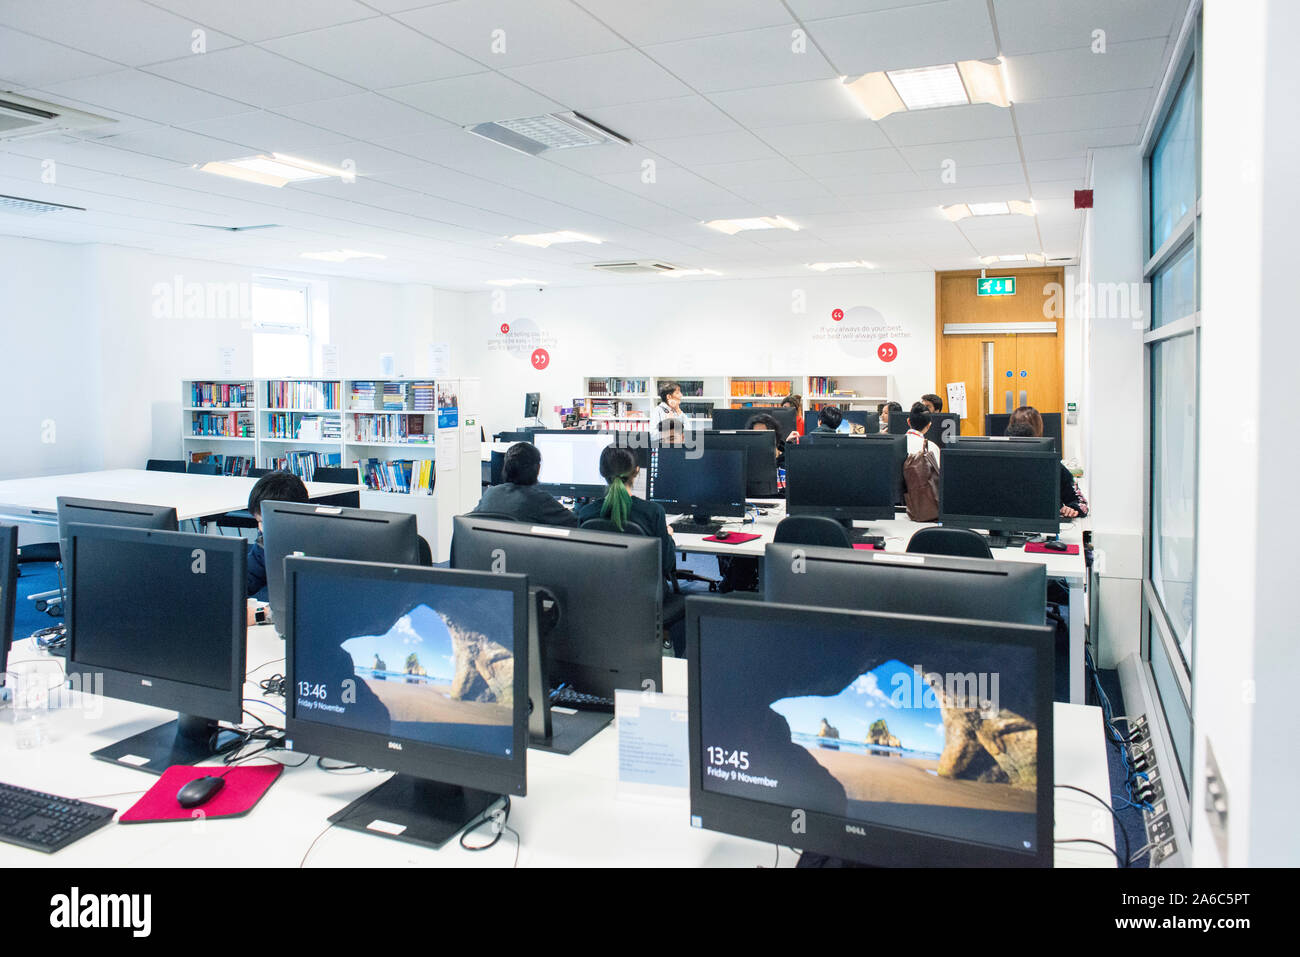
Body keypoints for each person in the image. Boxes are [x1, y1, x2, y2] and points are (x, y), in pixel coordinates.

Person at [576, 445, 675, 583]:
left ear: (602, 472)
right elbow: (666, 566)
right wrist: (667, 536)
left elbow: (581, 562)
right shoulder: (653, 512)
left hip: (596, 594)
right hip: (644, 598)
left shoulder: (586, 513)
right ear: (636, 471)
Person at [1006, 406, 1089, 519]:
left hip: (1044, 529)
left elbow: (1081, 503)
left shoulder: (1053, 466)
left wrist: (1072, 509)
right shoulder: (997, 464)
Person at [469, 442, 579, 527]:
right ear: (537, 469)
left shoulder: (491, 493)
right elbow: (575, 524)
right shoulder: (538, 499)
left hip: (491, 553)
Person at [246, 470, 310, 601]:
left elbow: (301, 595)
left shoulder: (316, 546)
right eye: (258, 522)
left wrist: (263, 611)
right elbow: (247, 579)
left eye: (265, 523)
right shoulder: (264, 543)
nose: (261, 529)